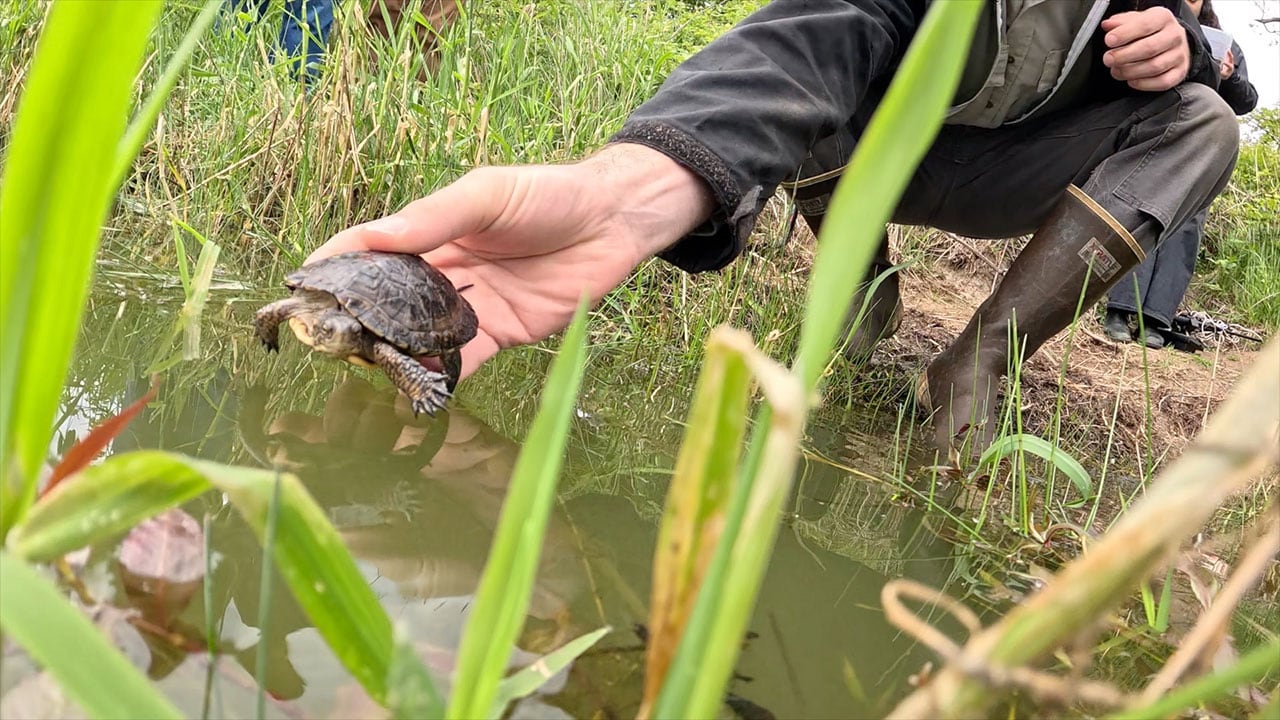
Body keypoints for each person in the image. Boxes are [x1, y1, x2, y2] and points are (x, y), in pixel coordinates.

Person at [307, 0, 1241, 458]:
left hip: (1017, 171)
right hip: (872, 149)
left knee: (1200, 118)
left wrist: (1193, 44)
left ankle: (981, 359)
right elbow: (812, 32)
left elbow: (1238, 81)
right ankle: (861, 295)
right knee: (805, 105)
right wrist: (643, 179)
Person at [1103, 0, 1259, 349]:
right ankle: (1119, 310)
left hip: (1202, 145)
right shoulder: (1150, 19)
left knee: (1185, 230)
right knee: (1139, 217)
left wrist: (1229, 76)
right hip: (1154, 132)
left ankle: (1155, 320)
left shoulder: (1225, 41)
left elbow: (1247, 101)